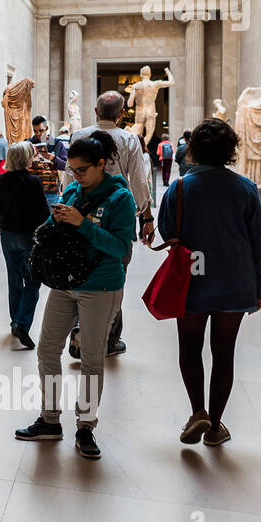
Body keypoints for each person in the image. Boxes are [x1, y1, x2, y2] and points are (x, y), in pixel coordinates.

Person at [15, 130, 135, 460]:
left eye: (82, 170)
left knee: (91, 359)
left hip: (101, 286)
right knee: (47, 350)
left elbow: (120, 247)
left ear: (101, 165)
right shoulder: (70, 190)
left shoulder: (120, 199)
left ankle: (86, 426)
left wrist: (83, 223)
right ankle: (50, 419)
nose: (76, 176)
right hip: (64, 283)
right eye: (72, 169)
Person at [155, 119, 261, 447]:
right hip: (235, 281)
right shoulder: (246, 188)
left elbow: (166, 230)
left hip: (191, 280)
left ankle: (198, 412)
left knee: (190, 349)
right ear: (231, 150)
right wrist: (257, 286)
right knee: (224, 353)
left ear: (194, 149)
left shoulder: (180, 187)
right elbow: (257, 242)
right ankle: (216, 426)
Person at [69, 91, 153, 358]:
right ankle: (108, 338)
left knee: (80, 269)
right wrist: (147, 218)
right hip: (116, 215)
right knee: (114, 277)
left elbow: (69, 178)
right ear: (120, 115)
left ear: (95, 111)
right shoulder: (128, 139)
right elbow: (139, 181)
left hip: (80, 212)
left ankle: (83, 324)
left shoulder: (79, 136)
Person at [0, 141, 49, 350]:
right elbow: (44, 213)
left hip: (7, 234)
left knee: (14, 279)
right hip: (28, 235)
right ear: (27, 158)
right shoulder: (34, 181)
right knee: (33, 281)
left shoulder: (1, 180)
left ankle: (15, 321)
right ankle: (22, 324)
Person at [28, 115, 68, 205]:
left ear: (46, 128)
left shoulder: (57, 144)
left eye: (41, 130)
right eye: (35, 130)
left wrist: (53, 158)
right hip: (31, 189)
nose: (38, 133)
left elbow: (65, 165)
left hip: (51, 190)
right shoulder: (28, 143)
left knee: (50, 218)